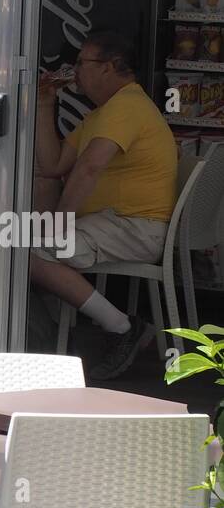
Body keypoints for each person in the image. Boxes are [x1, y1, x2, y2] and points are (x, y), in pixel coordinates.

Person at [31, 30, 178, 380]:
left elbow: (89, 166)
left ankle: (121, 328)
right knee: (20, 245)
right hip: (116, 224)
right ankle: (64, 332)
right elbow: (53, 167)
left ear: (110, 67)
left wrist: (60, 221)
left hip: (134, 226)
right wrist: (45, 104)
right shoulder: (105, 112)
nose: (75, 70)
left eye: (82, 62)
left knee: (27, 251)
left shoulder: (126, 105)